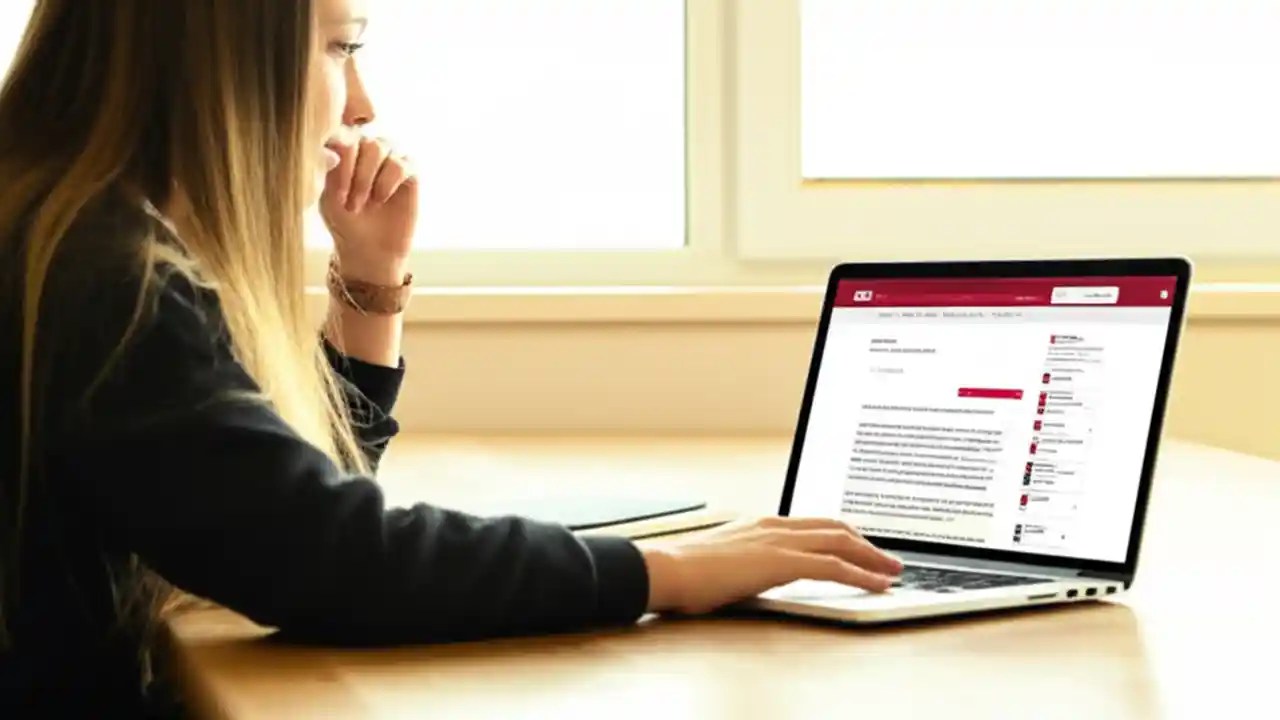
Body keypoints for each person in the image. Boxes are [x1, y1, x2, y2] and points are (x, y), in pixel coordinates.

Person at [0, 1, 903, 716]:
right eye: (336, 48)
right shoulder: (102, 274)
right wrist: (670, 573)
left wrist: (373, 275)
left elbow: (273, 506)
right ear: (218, 59)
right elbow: (326, 559)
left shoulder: (66, 233)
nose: (360, 103)